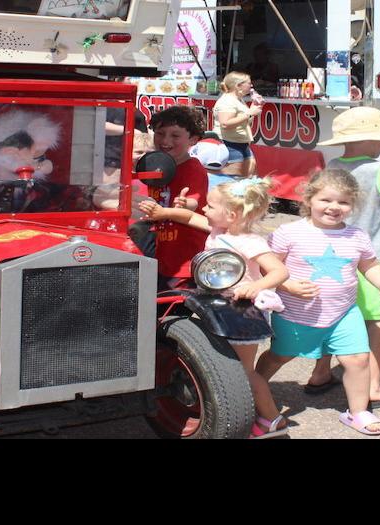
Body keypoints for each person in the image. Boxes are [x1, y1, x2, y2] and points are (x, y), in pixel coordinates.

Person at [139, 178, 290, 438]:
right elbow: (187, 216)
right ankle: (247, 409)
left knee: (243, 372)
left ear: (230, 214)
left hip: (243, 310)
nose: (204, 211)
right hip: (221, 306)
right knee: (228, 364)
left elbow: (280, 271)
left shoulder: (249, 241)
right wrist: (163, 213)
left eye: (209, 206)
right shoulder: (218, 230)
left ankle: (273, 418)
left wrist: (256, 286)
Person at [254, 169, 380, 436]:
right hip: (296, 315)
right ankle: (253, 388)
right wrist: (287, 285)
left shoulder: (356, 235)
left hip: (344, 313)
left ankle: (358, 412)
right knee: (279, 356)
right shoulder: (289, 232)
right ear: (308, 199)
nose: (334, 207)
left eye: (343, 202)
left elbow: (370, 265)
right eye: (326, 200)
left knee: (357, 360)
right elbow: (267, 268)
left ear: (352, 205)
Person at [302, 107, 380, 411]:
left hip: (335, 255)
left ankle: (320, 372)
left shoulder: (332, 166)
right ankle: (374, 385)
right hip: (379, 254)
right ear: (373, 140)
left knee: (333, 315)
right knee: (376, 321)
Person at [142, 105, 210, 290]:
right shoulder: (151, 165)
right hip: (158, 252)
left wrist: (184, 204)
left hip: (183, 258)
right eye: (160, 133)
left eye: (175, 135)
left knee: (174, 307)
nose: (165, 140)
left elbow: (194, 202)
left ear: (193, 140)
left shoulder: (193, 168)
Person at [213, 72, 262, 178]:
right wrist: (249, 113)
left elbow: (243, 119)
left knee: (250, 175)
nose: (251, 85)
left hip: (240, 143)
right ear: (238, 85)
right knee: (235, 180)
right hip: (230, 144)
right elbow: (225, 123)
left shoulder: (238, 99)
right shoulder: (227, 101)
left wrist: (254, 106)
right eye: (249, 83)